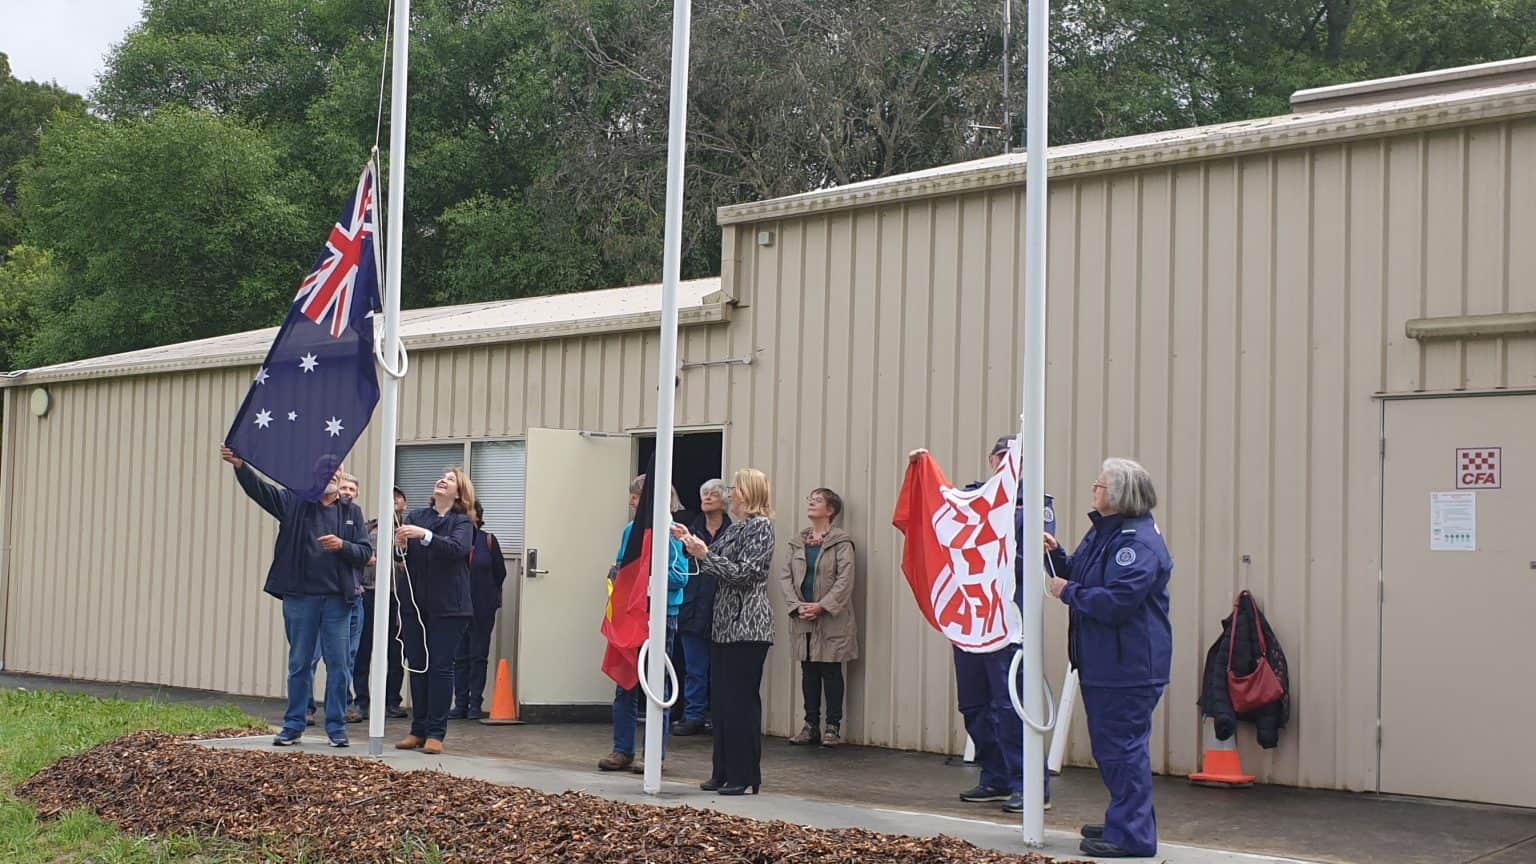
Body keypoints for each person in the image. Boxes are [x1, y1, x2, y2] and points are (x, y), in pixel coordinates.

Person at [908, 436, 1052, 814]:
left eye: (1014, 458)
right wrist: (921, 470)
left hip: (1008, 623)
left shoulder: (1034, 503)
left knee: (1011, 706)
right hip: (971, 621)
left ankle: (1030, 785)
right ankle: (996, 776)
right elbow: (939, 517)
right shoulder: (971, 501)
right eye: (1001, 457)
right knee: (974, 704)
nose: (1006, 464)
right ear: (991, 460)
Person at [1045, 458, 1172, 859]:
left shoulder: (1135, 544)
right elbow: (1087, 574)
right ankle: (1125, 818)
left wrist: (1067, 592)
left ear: (1117, 496)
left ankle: (1132, 834)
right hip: (1107, 661)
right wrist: (1060, 556)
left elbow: (1117, 601)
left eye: (1098, 485)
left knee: (1122, 749)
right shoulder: (1107, 532)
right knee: (1115, 747)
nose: (1093, 490)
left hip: (1127, 665)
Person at [221, 446, 371, 748]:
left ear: (341, 478)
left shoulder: (351, 511)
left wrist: (342, 545)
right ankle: (293, 725)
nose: (330, 475)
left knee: (339, 665)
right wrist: (241, 466)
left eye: (335, 471)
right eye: (323, 471)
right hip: (301, 597)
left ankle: (336, 727)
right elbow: (261, 491)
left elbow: (366, 553)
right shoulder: (295, 502)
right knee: (300, 663)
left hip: (338, 601)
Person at [672, 468, 775, 796]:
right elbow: (711, 563)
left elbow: (746, 574)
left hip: (748, 627)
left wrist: (706, 556)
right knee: (722, 703)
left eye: (736, 489)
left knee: (741, 703)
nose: (731, 494)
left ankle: (745, 775)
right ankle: (723, 771)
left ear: (750, 494)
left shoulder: (760, 528)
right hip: (724, 626)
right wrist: (690, 543)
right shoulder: (736, 530)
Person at [599, 474, 689, 774]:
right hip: (631, 616)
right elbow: (622, 563)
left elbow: (680, 577)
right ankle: (622, 749)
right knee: (625, 682)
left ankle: (654, 753)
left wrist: (648, 580)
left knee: (656, 684)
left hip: (662, 615)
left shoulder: (672, 532)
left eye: (636, 496)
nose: (631, 502)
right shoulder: (630, 531)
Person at [394, 468, 476, 755]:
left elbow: (456, 549)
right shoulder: (416, 516)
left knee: (440, 667)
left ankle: (436, 733)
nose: (442, 480)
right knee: (417, 664)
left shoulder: (462, 522)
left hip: (450, 607)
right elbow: (402, 557)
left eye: (450, 479)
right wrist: (400, 545)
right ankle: (418, 729)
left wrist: (425, 536)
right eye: (441, 476)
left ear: (459, 492)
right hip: (416, 603)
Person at [777, 487, 857, 747]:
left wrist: (822, 606)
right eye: (810, 499)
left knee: (831, 670)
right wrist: (796, 605)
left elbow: (845, 579)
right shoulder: (797, 542)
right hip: (803, 617)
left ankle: (832, 727)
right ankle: (810, 725)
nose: (811, 503)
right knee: (808, 670)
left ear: (831, 510)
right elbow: (785, 576)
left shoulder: (841, 543)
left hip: (831, 619)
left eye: (818, 500)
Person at [671, 478, 731, 737]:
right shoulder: (688, 532)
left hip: (723, 608)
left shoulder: (734, 532)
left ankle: (718, 717)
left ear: (725, 500)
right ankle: (693, 715)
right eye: (704, 494)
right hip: (692, 607)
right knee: (694, 667)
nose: (707, 498)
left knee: (722, 669)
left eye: (714, 494)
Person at [352, 485, 407, 721]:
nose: (394, 501)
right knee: (363, 649)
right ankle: (361, 702)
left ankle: (392, 702)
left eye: (398, 498)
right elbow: (356, 555)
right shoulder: (368, 527)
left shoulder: (409, 529)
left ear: (404, 503)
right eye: (390, 497)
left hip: (397, 597)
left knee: (395, 651)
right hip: (369, 593)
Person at [451, 500, 507, 720]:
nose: (466, 514)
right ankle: (460, 704)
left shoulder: (488, 541)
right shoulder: (454, 540)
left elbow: (500, 573)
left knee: (478, 656)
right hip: (456, 607)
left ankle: (476, 703)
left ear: (478, 515)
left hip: (483, 608)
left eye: (470, 510)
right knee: (459, 657)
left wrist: (489, 596)